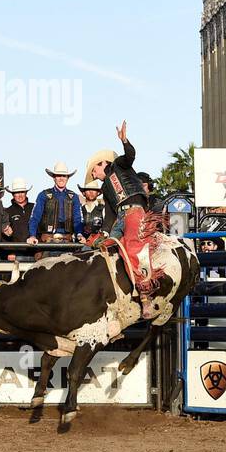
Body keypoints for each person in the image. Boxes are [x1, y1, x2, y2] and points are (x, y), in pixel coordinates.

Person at [86, 121, 161, 317]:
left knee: (133, 247)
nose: (94, 174)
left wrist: (124, 140)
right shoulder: (104, 188)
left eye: (93, 170)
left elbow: (130, 156)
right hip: (122, 216)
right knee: (102, 247)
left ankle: (146, 297)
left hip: (135, 212)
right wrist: (103, 234)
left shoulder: (119, 164)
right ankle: (113, 297)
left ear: (102, 164)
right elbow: (110, 214)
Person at [28, 162, 82, 244]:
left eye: (64, 176)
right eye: (58, 175)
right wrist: (32, 235)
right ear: (54, 177)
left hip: (67, 239)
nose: (61, 178)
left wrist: (79, 233)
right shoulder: (43, 195)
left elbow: (78, 219)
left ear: (68, 178)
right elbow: (35, 217)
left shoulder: (74, 197)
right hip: (47, 239)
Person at [3, 178, 34, 260]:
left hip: (35, 252)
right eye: (17, 192)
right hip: (17, 254)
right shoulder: (7, 211)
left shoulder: (35, 208)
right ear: (13, 194)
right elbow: (4, 235)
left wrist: (40, 250)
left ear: (26, 193)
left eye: (22, 192)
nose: (20, 195)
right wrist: (10, 252)